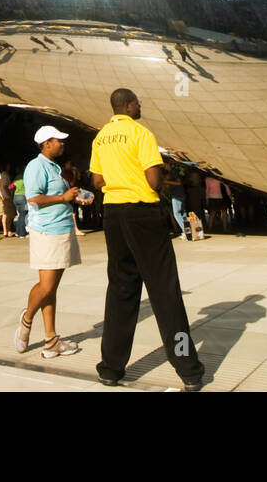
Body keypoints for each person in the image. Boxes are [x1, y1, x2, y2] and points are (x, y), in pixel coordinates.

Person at [91, 88, 204, 391]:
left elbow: (97, 180)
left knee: (121, 289)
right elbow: (153, 179)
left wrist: (119, 177)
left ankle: (111, 369)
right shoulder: (141, 133)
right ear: (129, 105)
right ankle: (188, 369)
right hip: (142, 212)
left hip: (113, 213)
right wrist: (159, 179)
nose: (140, 105)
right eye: (138, 101)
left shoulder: (100, 136)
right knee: (164, 290)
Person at [16, 126, 82, 359]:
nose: (62, 143)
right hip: (47, 231)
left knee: (51, 288)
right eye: (58, 140)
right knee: (46, 286)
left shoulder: (54, 166)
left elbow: (56, 196)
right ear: (46, 143)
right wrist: (63, 197)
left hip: (61, 228)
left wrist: (74, 196)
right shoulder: (36, 166)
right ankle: (27, 319)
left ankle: (50, 340)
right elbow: (33, 198)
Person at [165, 162, 188, 240]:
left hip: (177, 195)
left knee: (176, 214)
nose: (163, 165)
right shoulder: (174, 171)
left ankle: (185, 232)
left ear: (168, 164)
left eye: (165, 164)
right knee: (183, 213)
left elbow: (178, 183)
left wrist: (166, 182)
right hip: (181, 194)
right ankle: (188, 232)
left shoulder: (173, 172)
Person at [12, 172, 29, 238]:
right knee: (23, 215)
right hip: (23, 197)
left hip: (16, 197)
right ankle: (22, 233)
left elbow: (11, 186)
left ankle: (17, 232)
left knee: (20, 215)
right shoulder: (26, 177)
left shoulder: (17, 177)